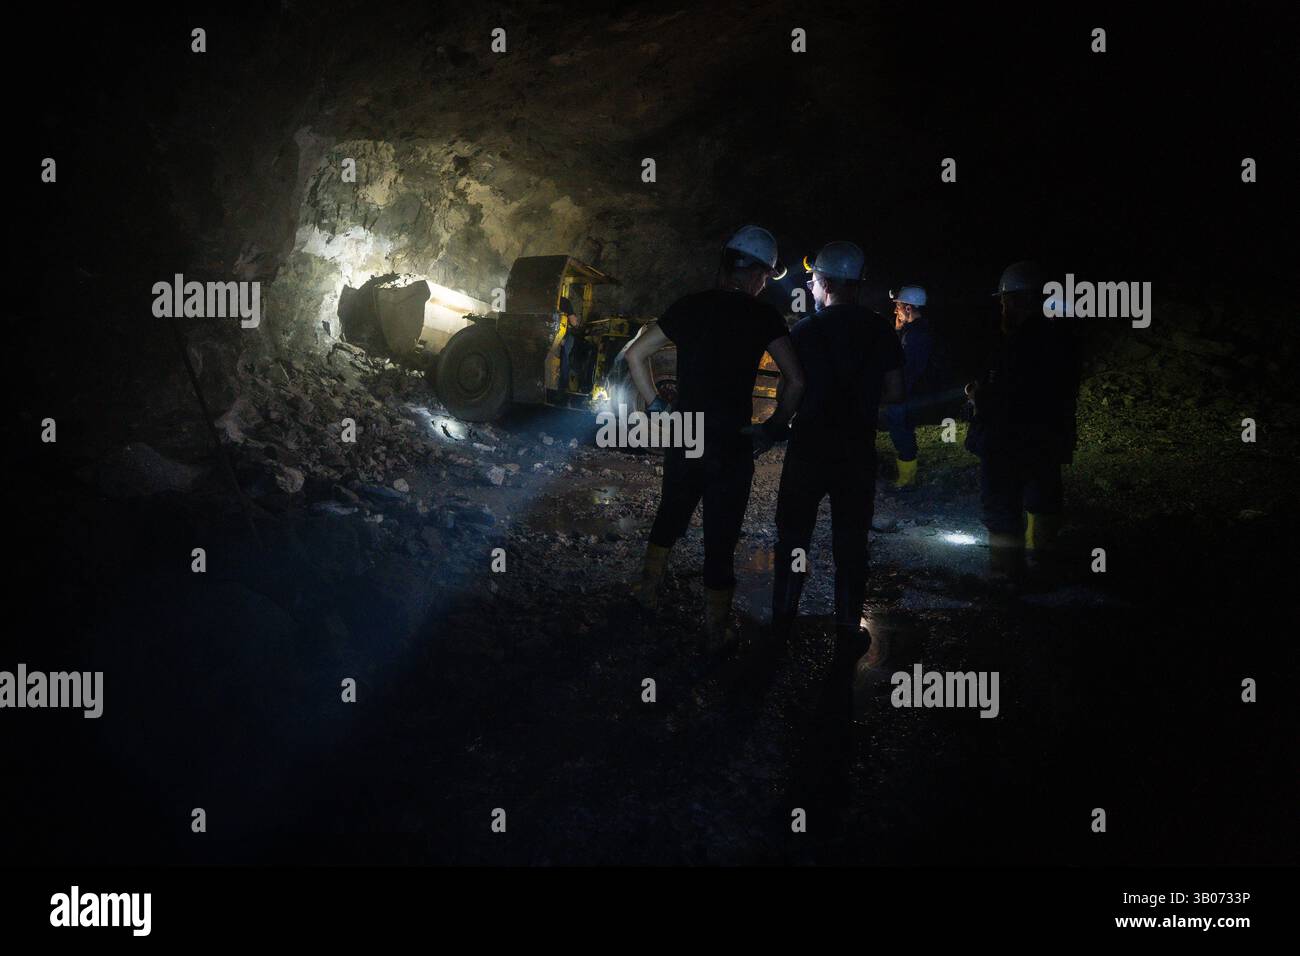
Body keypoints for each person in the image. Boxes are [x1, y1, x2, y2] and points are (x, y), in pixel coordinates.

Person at [625, 225, 806, 651]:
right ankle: (715, 629)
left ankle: (645, 592)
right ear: (756, 273)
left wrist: (656, 406)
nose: (764, 284)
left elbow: (635, 354)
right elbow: (797, 381)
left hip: (686, 436)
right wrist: (774, 428)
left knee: (669, 514)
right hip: (733, 442)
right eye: (765, 276)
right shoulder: (763, 316)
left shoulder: (689, 307)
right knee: (721, 536)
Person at [770, 241, 904, 664]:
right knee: (850, 540)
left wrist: (780, 421)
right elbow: (896, 391)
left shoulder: (804, 331)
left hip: (809, 448)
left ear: (825, 282)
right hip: (856, 452)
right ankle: (847, 626)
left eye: (812, 279)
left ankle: (783, 618)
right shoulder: (881, 330)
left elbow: (789, 389)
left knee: (795, 536)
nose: (809, 284)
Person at [965, 261, 1082, 585]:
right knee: (1042, 498)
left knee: (1001, 507)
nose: (1002, 307)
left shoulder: (1017, 344)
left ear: (1019, 300)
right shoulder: (1061, 339)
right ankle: (1045, 569)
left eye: (1004, 301)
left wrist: (979, 397)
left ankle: (1006, 574)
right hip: (1046, 438)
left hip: (1009, 440)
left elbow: (1009, 395)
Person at [882, 284, 934, 489]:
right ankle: (906, 477)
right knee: (900, 429)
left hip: (906, 391)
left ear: (909, 308)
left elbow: (906, 367)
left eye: (898, 306)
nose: (896, 310)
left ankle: (907, 480)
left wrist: (894, 391)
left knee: (900, 430)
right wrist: (897, 329)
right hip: (907, 390)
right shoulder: (912, 330)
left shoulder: (917, 335)